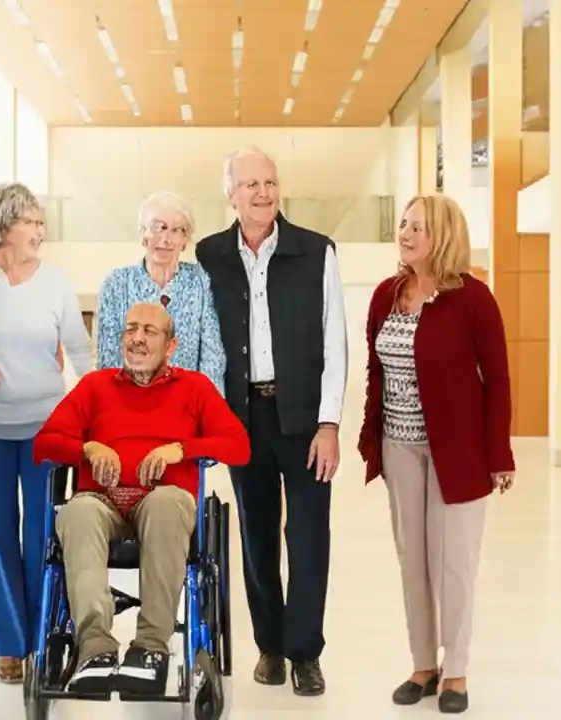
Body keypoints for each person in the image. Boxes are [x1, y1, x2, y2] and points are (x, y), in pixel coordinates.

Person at [32, 302, 251, 696]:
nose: (137, 338)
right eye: (131, 329)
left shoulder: (195, 387)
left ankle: (150, 648)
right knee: (78, 512)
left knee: (167, 504)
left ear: (171, 346)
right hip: (101, 502)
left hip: (163, 504)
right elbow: (44, 443)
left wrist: (181, 449)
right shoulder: (95, 386)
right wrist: (88, 448)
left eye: (150, 331)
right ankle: (94, 649)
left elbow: (239, 446)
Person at [194, 147, 347, 696]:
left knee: (308, 537)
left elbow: (335, 341)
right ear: (230, 194)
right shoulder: (209, 255)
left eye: (270, 182)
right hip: (244, 417)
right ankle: (270, 646)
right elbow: (202, 339)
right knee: (256, 536)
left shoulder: (316, 250)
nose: (263, 193)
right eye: (250, 184)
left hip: (304, 418)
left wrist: (329, 424)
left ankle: (305, 652)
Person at [357, 194, 515, 715]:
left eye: (417, 227)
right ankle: (423, 664)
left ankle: (457, 670)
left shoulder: (473, 298)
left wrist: (499, 453)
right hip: (399, 445)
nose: (404, 233)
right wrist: (371, 435)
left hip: (458, 451)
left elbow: (497, 379)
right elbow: (375, 371)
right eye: (403, 224)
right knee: (413, 561)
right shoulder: (386, 295)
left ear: (442, 235)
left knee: (454, 564)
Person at [0, 182, 93, 683]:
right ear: (3, 225)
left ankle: (43, 636)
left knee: (42, 533)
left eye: (40, 221)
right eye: (30, 221)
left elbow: (79, 350)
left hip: (45, 427)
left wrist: (100, 408)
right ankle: (8, 644)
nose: (40, 230)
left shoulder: (55, 281)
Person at [95, 191, 225, 389]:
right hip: (130, 401)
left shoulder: (200, 281)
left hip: (187, 400)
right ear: (143, 234)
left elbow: (212, 357)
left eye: (176, 230)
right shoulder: (116, 284)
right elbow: (108, 360)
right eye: (158, 228)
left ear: (185, 239)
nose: (165, 239)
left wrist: (206, 403)